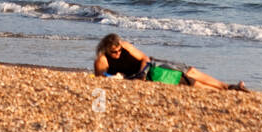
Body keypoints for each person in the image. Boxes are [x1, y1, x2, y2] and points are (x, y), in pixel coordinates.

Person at [93, 34, 248, 91]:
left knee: (190, 70)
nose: (118, 53)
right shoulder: (102, 59)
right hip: (147, 76)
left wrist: (142, 72)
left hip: (150, 68)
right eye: (115, 52)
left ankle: (227, 86)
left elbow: (144, 58)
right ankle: (226, 90)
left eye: (119, 50)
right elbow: (101, 77)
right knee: (188, 81)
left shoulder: (125, 46)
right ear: (106, 49)